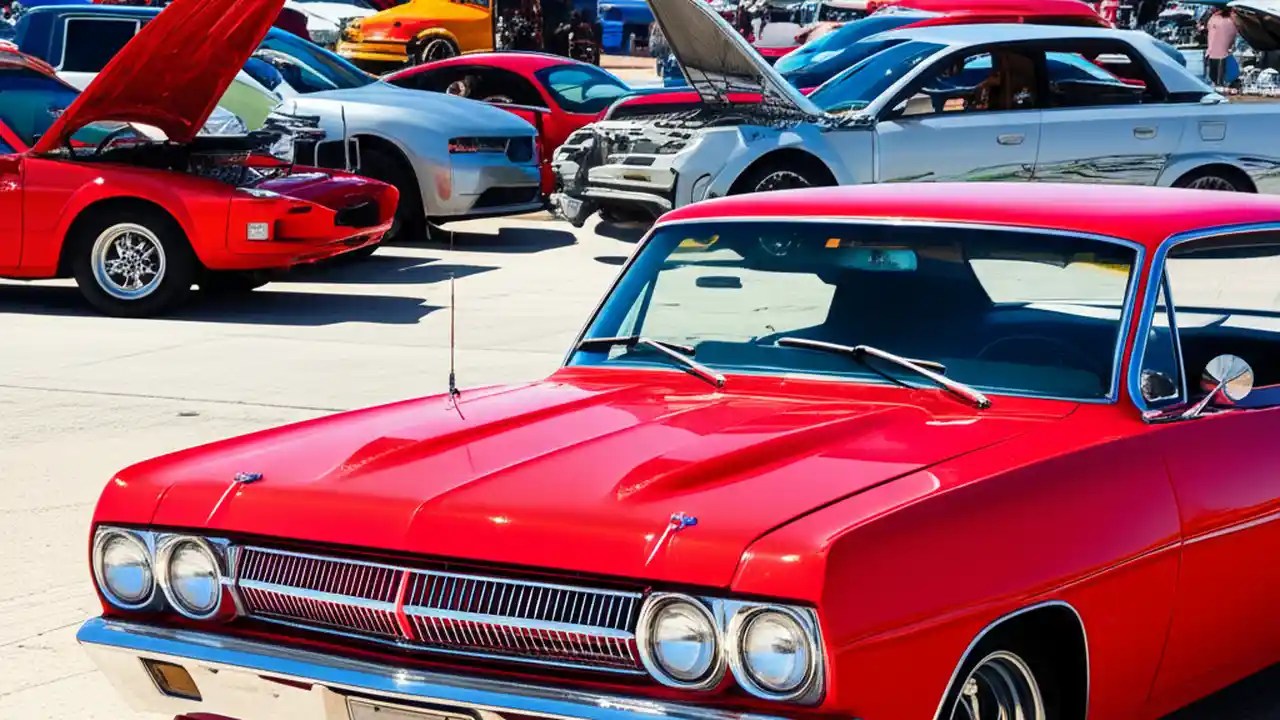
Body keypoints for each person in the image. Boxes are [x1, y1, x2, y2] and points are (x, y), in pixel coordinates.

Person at [1205, 6, 1238, 88]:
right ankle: (1220, 84)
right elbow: (1232, 37)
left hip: (1213, 52)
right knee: (1220, 78)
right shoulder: (1231, 19)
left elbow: (1211, 35)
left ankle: (1218, 85)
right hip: (1223, 53)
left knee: (1214, 77)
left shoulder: (1214, 18)